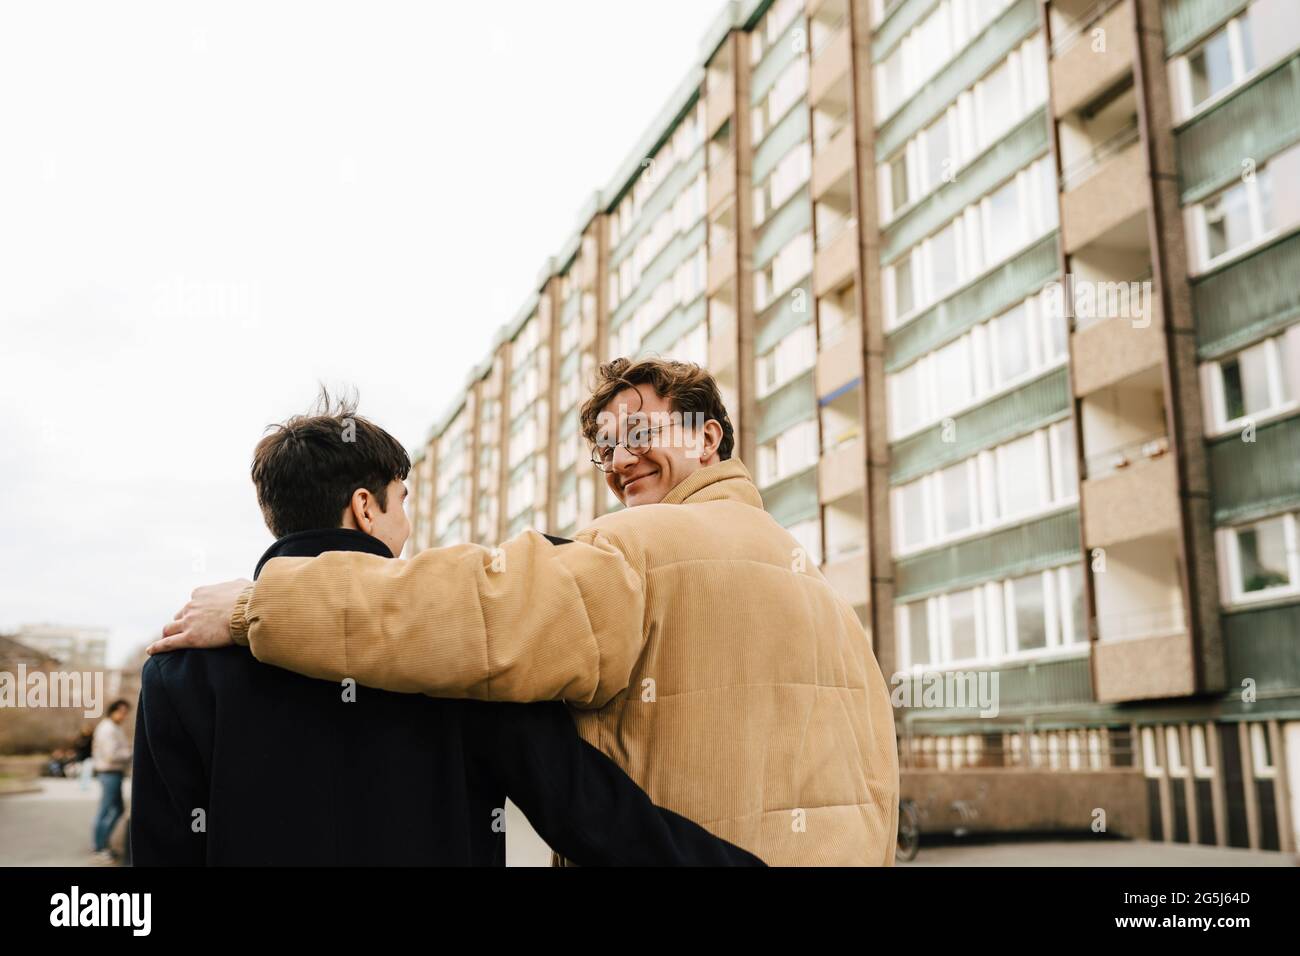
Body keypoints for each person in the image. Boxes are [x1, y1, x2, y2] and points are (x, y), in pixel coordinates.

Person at [154, 360, 899, 865]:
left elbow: (475, 611)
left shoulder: (639, 547)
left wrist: (262, 605)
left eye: (640, 435)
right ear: (367, 505)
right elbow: (585, 806)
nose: (619, 462)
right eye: (605, 449)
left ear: (708, 437)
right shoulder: (822, 588)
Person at [91, 699, 132, 862]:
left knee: (117, 809)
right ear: (113, 711)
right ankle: (99, 847)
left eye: (125, 713)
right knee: (106, 809)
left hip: (114, 772)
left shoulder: (115, 728)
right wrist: (130, 753)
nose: (124, 716)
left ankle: (103, 844)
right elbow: (111, 754)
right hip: (109, 772)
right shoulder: (107, 729)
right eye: (121, 712)